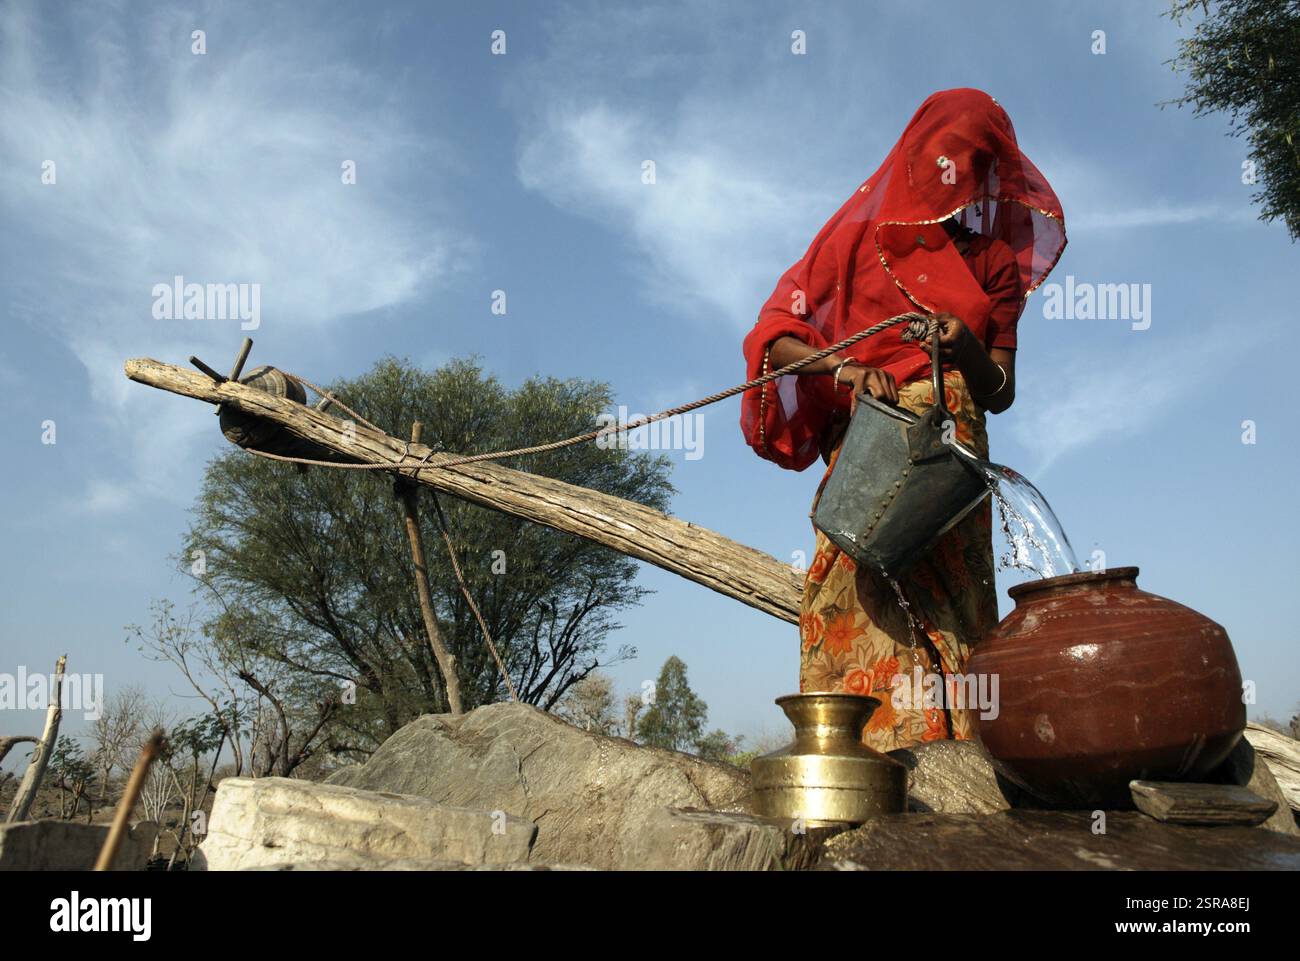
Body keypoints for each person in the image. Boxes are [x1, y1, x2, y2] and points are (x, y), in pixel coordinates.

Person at [741, 88, 1066, 751]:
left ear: (990, 169)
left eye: (974, 158)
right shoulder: (857, 240)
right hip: (870, 449)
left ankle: (959, 766)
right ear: (914, 156)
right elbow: (776, 336)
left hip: (953, 457)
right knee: (852, 590)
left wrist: (965, 345)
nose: (955, 169)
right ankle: (857, 758)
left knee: (955, 602)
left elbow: (1000, 390)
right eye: (943, 153)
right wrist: (848, 371)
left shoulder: (993, 264)